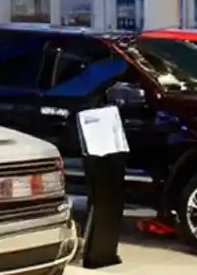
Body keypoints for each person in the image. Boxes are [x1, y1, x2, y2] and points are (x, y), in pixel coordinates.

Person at [78, 101, 128, 268]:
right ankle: (95, 253)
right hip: (99, 153)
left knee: (110, 200)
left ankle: (103, 252)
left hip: (110, 152)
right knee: (101, 199)